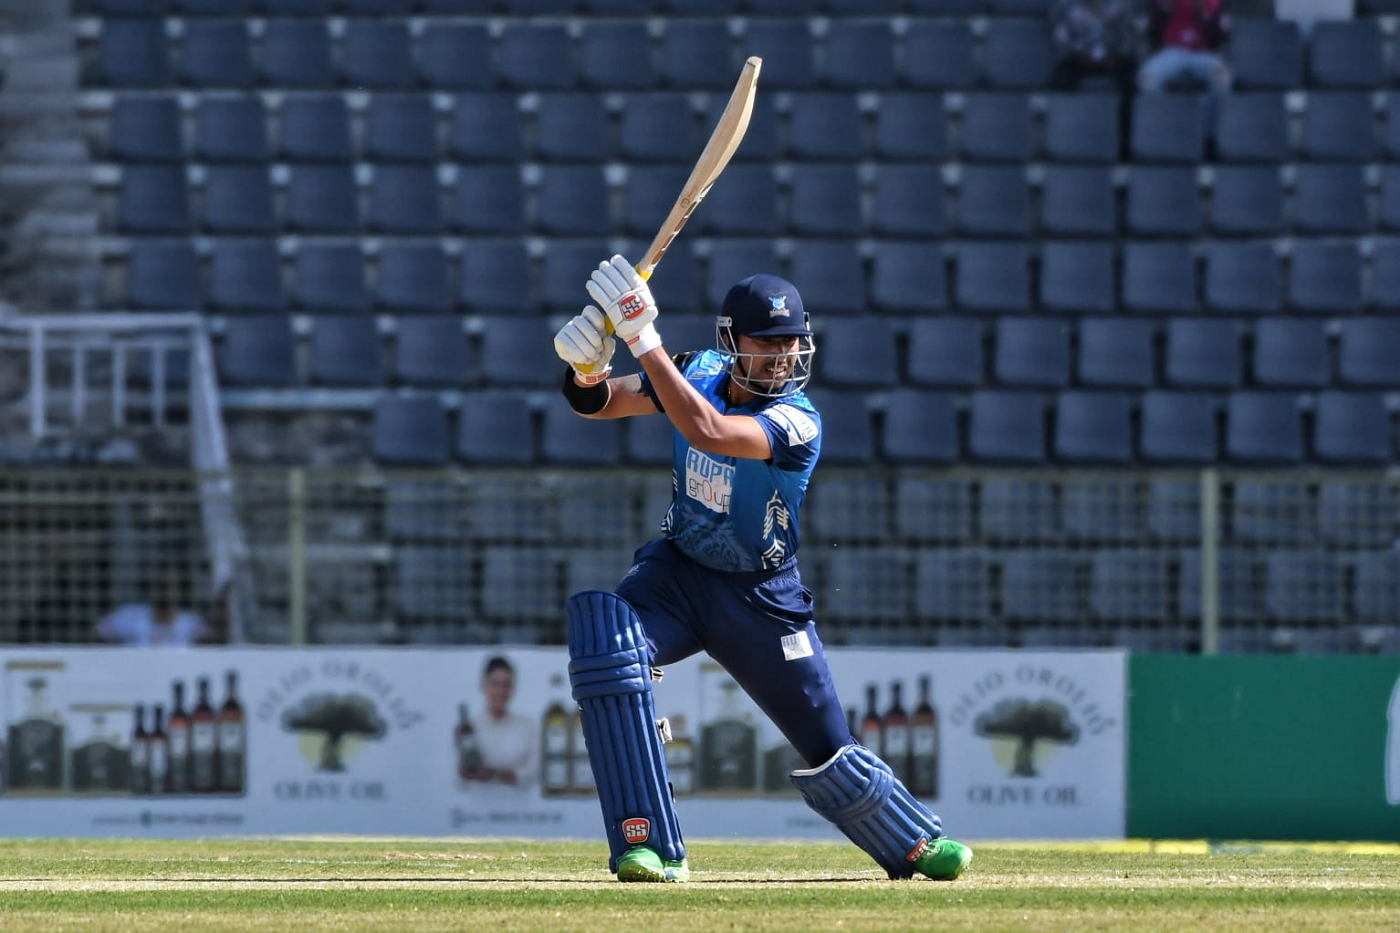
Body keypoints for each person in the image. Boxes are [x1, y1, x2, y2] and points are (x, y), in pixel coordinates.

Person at [550, 255, 972, 884]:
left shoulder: (799, 420)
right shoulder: (697, 369)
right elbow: (602, 404)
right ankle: (649, 844)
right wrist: (585, 372)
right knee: (607, 648)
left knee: (827, 743)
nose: (782, 355)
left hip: (760, 597)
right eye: (767, 342)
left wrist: (642, 338)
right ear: (731, 340)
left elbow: (711, 430)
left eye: (792, 341)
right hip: (677, 575)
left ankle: (910, 840)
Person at [461, 655, 539, 788]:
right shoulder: (469, 727)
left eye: (506, 685)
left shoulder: (527, 726)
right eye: (495, 684)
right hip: (475, 807)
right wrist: (468, 773)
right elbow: (457, 778)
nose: (501, 691)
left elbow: (535, 767)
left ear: (513, 688)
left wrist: (513, 775)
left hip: (521, 806)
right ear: (484, 686)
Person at [1137, 0, 1232, 105]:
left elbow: (1218, 28)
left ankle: (1211, 116)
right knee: (1147, 79)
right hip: (1173, 51)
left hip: (1201, 52)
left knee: (1223, 76)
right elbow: (1157, 11)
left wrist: (1203, 9)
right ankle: (1163, 114)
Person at [94, 566, 217, 647]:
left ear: (180, 589)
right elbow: (95, 634)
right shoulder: (130, 616)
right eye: (161, 585)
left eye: (172, 586)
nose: (166, 591)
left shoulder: (192, 624)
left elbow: (216, 641)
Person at [1050, 0, 1141, 93]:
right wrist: (1078, 55)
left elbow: (1128, 38)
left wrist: (1115, 56)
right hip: (1079, 59)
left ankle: (1127, 107)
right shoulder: (1065, 4)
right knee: (1062, 79)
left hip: (1113, 58)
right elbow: (1061, 38)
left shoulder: (1120, 4)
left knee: (1131, 77)